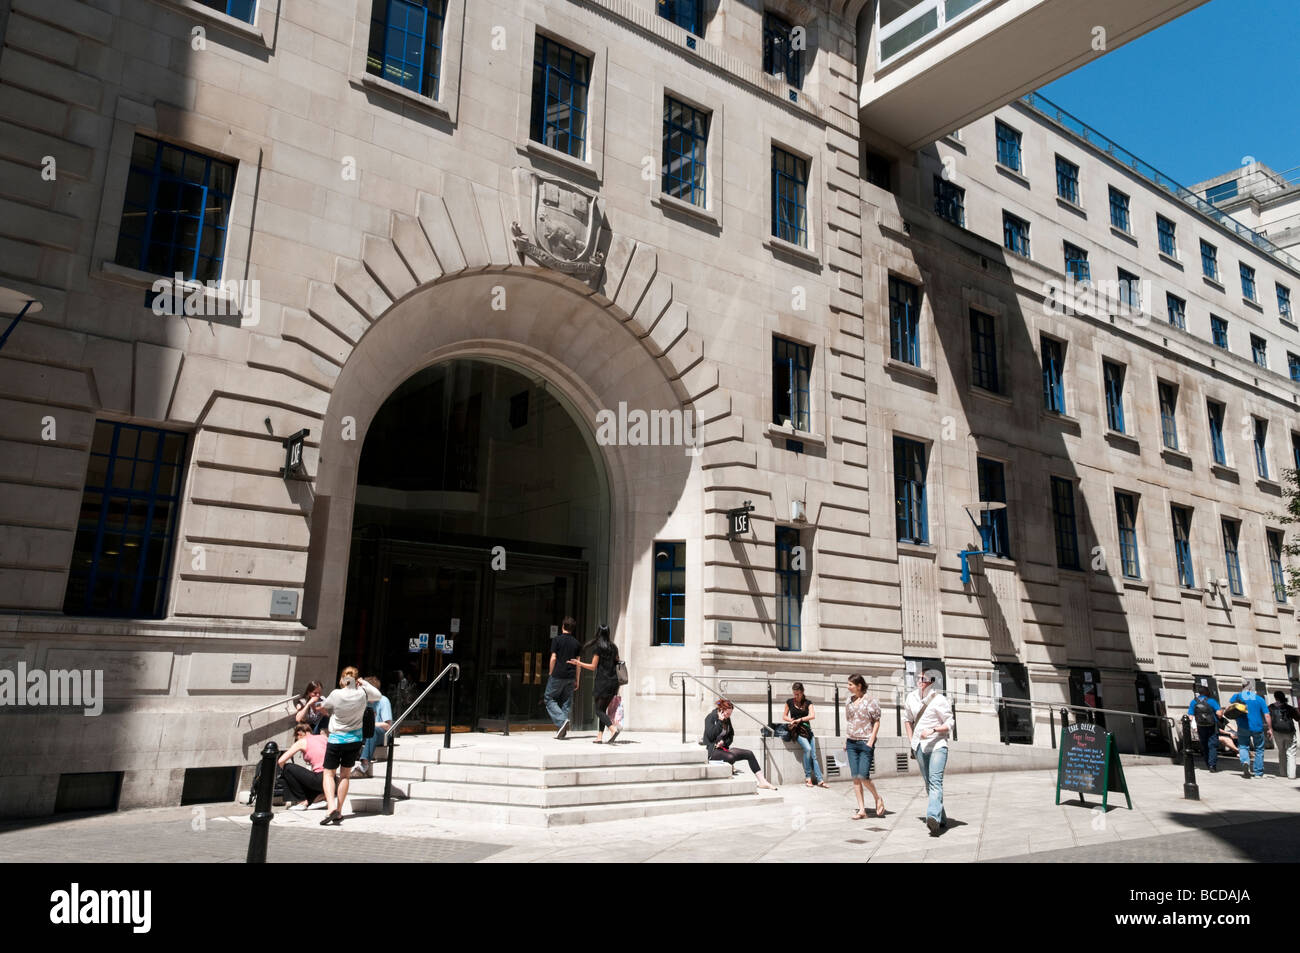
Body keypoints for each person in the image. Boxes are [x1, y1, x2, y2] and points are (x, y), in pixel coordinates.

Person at [317, 665, 381, 825]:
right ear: (356, 679)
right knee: (345, 775)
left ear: (342, 679)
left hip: (336, 739)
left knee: (329, 774)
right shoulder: (362, 694)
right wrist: (364, 684)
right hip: (354, 740)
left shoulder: (336, 694)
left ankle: (331, 807)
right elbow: (378, 695)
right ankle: (338, 810)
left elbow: (324, 708)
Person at [904, 669, 953, 835]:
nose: (919, 680)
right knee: (929, 783)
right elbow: (907, 720)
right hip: (919, 746)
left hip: (938, 745)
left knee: (935, 781)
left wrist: (933, 730)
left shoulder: (939, 700)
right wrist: (912, 741)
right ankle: (941, 818)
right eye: (918, 677)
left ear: (932, 681)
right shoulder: (911, 697)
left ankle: (932, 816)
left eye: (923, 678)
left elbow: (950, 723)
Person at [704, 699, 777, 790]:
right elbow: (710, 736)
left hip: (723, 749)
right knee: (731, 757)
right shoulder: (710, 717)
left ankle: (762, 781)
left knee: (749, 753)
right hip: (712, 751)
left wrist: (724, 742)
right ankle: (730, 768)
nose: (728, 716)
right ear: (721, 710)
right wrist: (719, 722)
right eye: (727, 714)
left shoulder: (727, 719)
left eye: (730, 714)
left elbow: (731, 735)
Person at [570, 623, 622, 743]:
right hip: (613, 682)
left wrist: (579, 663)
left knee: (598, 710)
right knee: (602, 709)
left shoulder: (598, 648)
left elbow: (593, 667)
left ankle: (612, 729)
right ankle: (599, 737)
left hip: (602, 682)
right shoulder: (614, 647)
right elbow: (617, 661)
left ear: (598, 633)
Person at [845, 673, 885, 818]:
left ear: (859, 685)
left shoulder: (871, 700)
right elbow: (850, 721)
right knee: (855, 777)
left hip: (865, 742)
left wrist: (871, 741)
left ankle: (877, 797)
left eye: (850, 684)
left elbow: (876, 721)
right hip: (851, 742)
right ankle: (862, 810)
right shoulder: (848, 701)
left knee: (863, 775)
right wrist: (846, 741)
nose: (848, 687)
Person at [1224, 677, 1272, 779]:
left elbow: (1229, 707)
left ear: (1242, 686)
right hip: (1257, 727)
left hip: (1242, 726)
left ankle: (1245, 761)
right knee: (1259, 749)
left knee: (1243, 746)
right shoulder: (1259, 699)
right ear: (1253, 687)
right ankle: (1258, 773)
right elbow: (1267, 715)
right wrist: (1270, 728)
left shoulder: (1237, 696)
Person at [783, 682, 827, 787]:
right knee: (807, 749)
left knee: (814, 756)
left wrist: (801, 719)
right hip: (797, 731)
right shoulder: (789, 702)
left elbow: (812, 716)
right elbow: (784, 716)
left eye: (798, 694)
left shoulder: (808, 703)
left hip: (807, 731)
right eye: (794, 694)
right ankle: (808, 777)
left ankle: (820, 780)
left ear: (802, 692)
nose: (796, 696)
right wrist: (791, 720)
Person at [276, 723, 329, 810]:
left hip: (320, 778)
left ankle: (301, 801)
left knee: (287, 768)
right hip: (331, 778)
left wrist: (282, 775)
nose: (297, 740)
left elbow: (281, 761)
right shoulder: (323, 737)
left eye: (296, 738)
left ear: (299, 734)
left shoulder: (302, 741)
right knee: (308, 776)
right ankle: (319, 798)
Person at [544, 616, 581, 739]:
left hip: (558, 674)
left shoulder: (557, 640)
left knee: (549, 698)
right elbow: (578, 664)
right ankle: (562, 731)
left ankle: (561, 722)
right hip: (570, 676)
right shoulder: (576, 643)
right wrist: (577, 680)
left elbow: (553, 658)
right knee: (566, 702)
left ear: (563, 626)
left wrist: (550, 672)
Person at [354, 675, 393, 778]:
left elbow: (388, 726)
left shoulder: (383, 701)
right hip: (366, 732)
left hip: (382, 734)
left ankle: (364, 766)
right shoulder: (363, 702)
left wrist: (370, 724)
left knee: (373, 730)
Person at [1187, 685, 1221, 772]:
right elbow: (1219, 713)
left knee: (1204, 745)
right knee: (1212, 745)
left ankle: (1207, 763)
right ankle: (1212, 765)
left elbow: (1190, 716)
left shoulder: (1193, 702)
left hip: (1200, 726)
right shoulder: (1212, 701)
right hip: (1212, 726)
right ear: (1207, 692)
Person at [1269, 691, 1298, 780]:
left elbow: (1267, 717)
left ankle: (1283, 773)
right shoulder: (1289, 708)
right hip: (1289, 732)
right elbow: (1297, 718)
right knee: (1291, 753)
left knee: (1281, 751)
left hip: (1277, 732)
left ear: (1275, 697)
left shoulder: (1271, 707)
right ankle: (1291, 775)